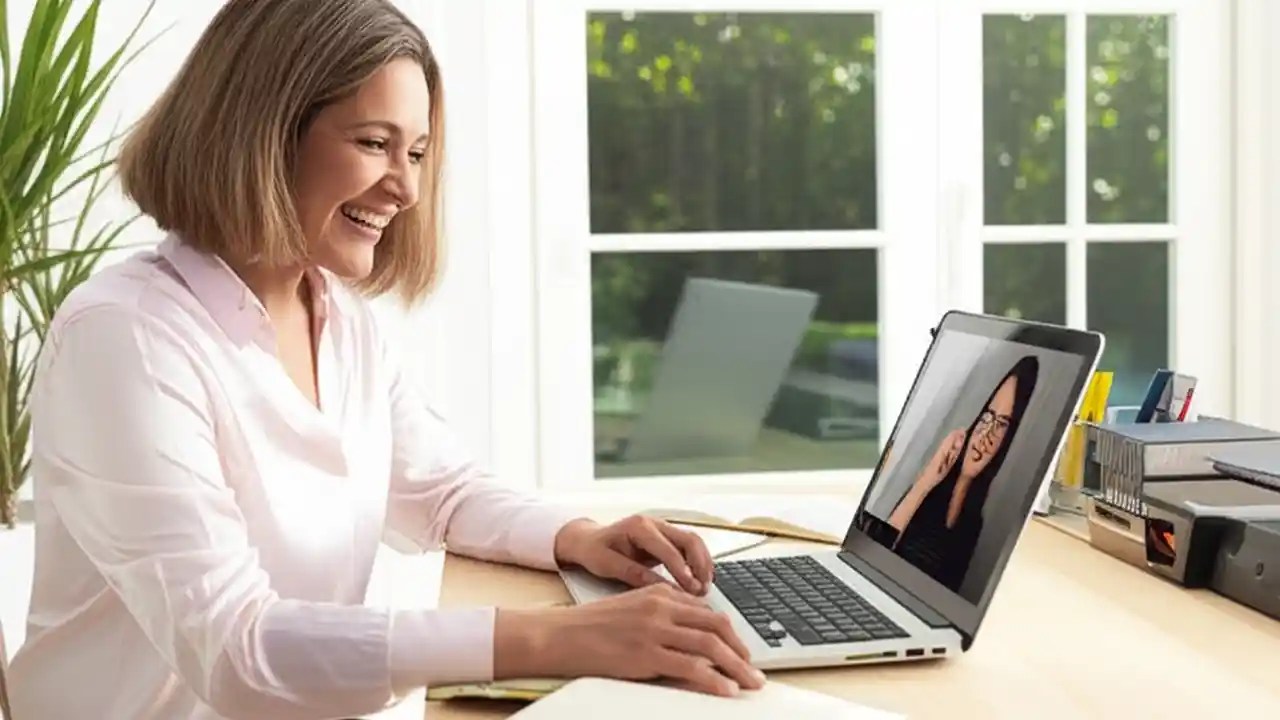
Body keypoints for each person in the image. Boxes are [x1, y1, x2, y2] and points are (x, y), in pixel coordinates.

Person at [7, 1, 763, 718]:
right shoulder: (126, 337)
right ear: (263, 133)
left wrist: (580, 537)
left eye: (419, 152)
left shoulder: (338, 319)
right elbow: (235, 648)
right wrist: (558, 639)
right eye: (374, 143)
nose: (405, 187)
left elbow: (442, 494)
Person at [864, 355, 1039, 592]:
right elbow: (872, 555)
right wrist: (926, 480)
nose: (985, 435)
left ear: (1008, 441)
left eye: (1002, 425)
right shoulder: (930, 486)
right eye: (987, 416)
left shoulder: (973, 525)